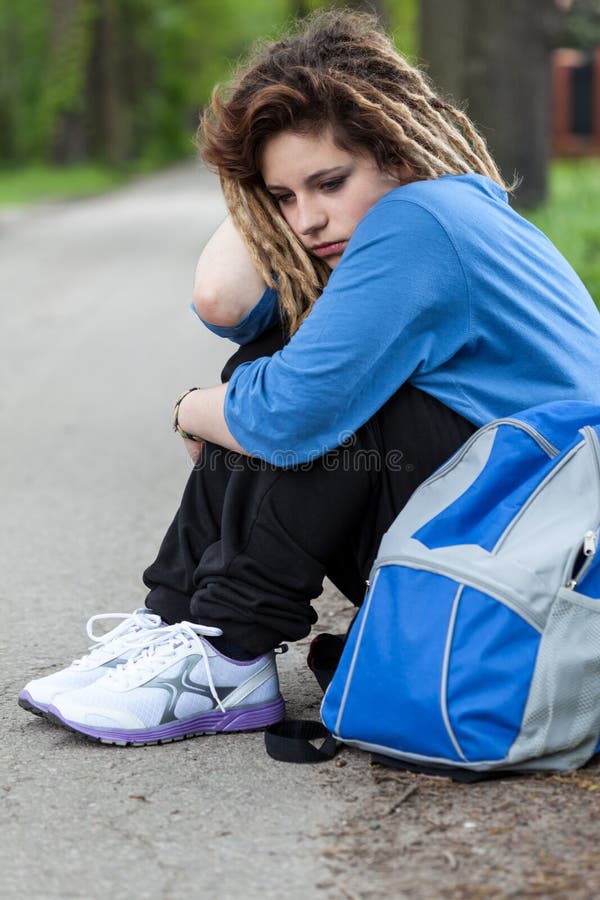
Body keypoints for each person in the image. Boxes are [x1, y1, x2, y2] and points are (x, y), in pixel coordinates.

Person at [19, 10, 600, 745]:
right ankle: (173, 625)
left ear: (398, 149)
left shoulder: (423, 219)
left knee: (309, 401)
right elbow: (223, 301)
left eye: (330, 183)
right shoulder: (440, 216)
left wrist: (190, 408)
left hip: (543, 563)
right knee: (278, 359)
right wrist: (261, 162)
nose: (308, 221)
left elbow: (295, 416)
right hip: (507, 539)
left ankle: (227, 649)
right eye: (284, 199)